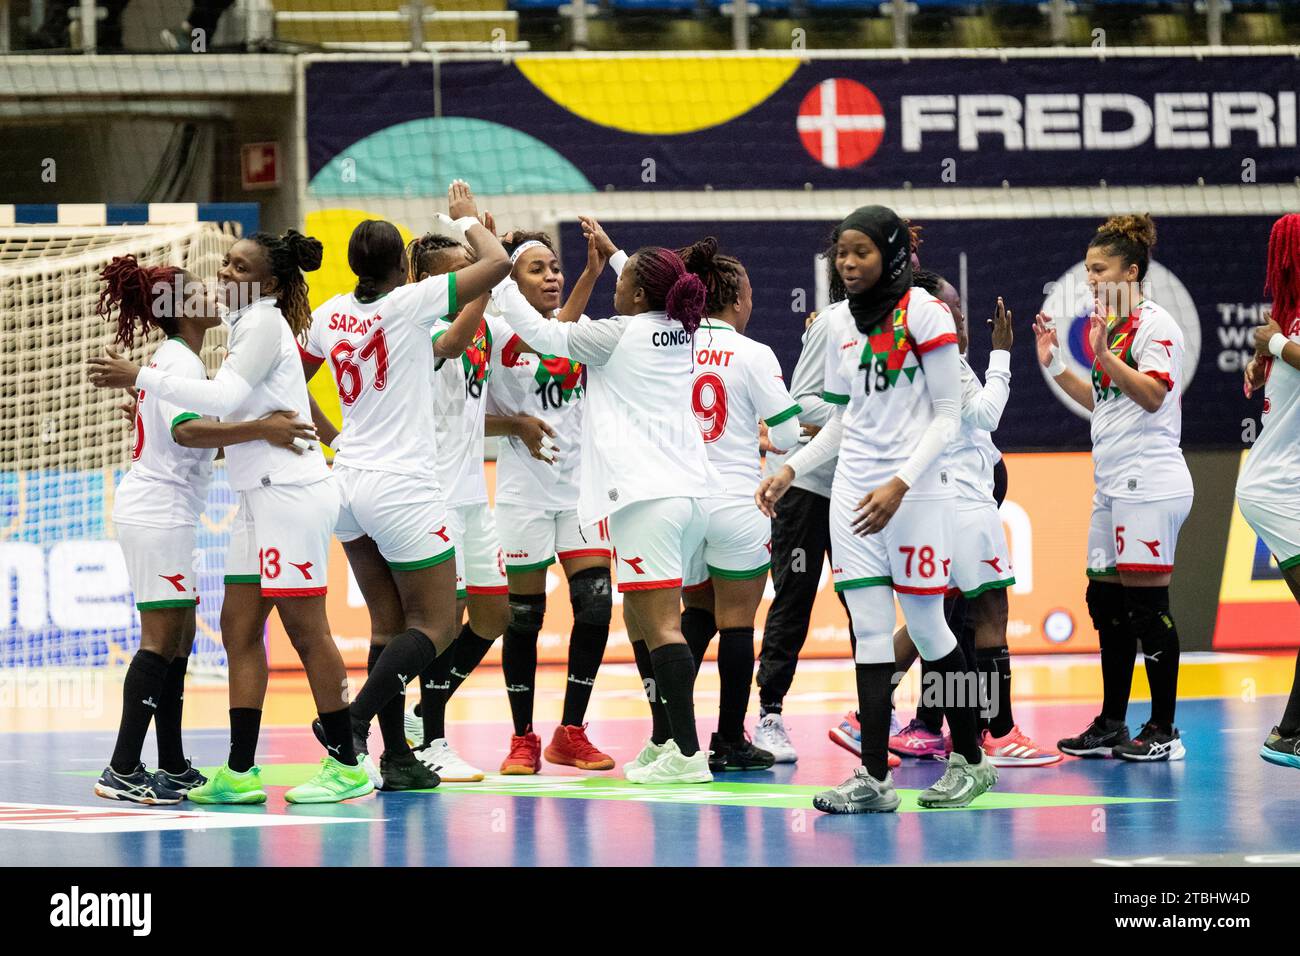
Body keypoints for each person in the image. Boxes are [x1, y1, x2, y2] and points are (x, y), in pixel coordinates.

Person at [89, 230, 374, 804]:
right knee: (238, 629)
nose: (223, 274)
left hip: (290, 494)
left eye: (238, 268)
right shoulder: (241, 333)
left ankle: (347, 762)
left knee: (304, 629)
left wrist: (139, 381)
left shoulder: (264, 325)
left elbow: (218, 404)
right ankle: (241, 772)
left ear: (267, 284)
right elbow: (219, 424)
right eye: (223, 264)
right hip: (254, 497)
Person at [756, 205, 998, 812]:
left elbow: (948, 416)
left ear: (890, 254)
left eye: (861, 252)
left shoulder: (925, 311)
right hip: (852, 495)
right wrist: (792, 468)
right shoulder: (838, 322)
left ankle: (971, 760)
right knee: (866, 631)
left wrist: (901, 484)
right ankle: (873, 779)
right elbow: (843, 420)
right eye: (842, 253)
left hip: (914, 495)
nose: (849, 263)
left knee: (928, 627)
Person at [493, 237, 725, 785]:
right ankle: (668, 740)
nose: (612, 287)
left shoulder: (618, 335)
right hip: (685, 497)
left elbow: (547, 335)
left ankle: (688, 753)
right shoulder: (681, 327)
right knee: (644, 622)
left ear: (638, 293)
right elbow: (655, 284)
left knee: (661, 627)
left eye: (621, 282)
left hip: (647, 500)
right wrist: (617, 255)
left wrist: (496, 271)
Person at [302, 185, 511, 788]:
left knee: (387, 629)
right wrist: (470, 222)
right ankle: (351, 725)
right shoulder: (411, 302)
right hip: (403, 486)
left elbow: (295, 382)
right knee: (438, 625)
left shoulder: (328, 313)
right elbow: (496, 264)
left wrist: (333, 438)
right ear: (402, 266)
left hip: (347, 482)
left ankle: (397, 758)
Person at [878, 270, 1060, 767]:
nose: (962, 318)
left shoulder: (911, 357)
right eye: (951, 309)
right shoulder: (942, 361)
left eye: (960, 309)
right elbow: (985, 416)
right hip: (963, 506)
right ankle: (999, 734)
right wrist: (1002, 353)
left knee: (936, 622)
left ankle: (870, 714)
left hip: (942, 502)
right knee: (990, 615)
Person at [1036, 214, 1193, 762]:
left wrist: (1103, 356)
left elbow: (1152, 396)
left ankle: (1165, 729)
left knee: (1148, 609)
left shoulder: (1156, 327)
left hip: (1149, 481)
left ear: (1132, 271)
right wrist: (1056, 364)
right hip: (1111, 487)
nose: (1093, 280)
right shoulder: (1113, 328)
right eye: (1088, 271)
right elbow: (1104, 403)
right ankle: (1111, 722)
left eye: (1101, 270)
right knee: (1105, 603)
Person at [480, 224, 619, 775]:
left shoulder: (580, 330)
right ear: (511, 282)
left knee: (596, 606)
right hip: (522, 495)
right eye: (537, 269)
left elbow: (557, 335)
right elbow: (468, 415)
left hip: (580, 492)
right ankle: (522, 738)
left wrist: (591, 271)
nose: (551, 277)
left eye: (556, 268)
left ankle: (572, 731)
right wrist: (514, 424)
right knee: (524, 617)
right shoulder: (490, 333)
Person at [675, 237, 800, 772]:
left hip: (680, 505)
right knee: (736, 623)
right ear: (735, 300)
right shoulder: (753, 354)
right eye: (748, 294)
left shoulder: (669, 343)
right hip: (735, 498)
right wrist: (761, 435)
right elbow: (792, 434)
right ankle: (728, 740)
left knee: (690, 617)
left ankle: (670, 738)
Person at [1237, 213, 1300, 770]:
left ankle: (1290, 733)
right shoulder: (1290, 327)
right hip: (1279, 489)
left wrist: (1270, 353)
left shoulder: (1287, 325)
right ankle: (1287, 733)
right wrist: (1277, 343)